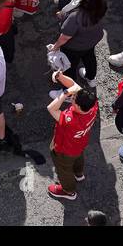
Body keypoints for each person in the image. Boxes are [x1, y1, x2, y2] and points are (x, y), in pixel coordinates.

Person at [46, 69, 98, 201]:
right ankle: (78, 174)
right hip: (80, 144)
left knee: (63, 170)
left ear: (79, 107)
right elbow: (74, 85)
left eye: (73, 98)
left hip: (64, 150)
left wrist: (65, 93)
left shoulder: (71, 120)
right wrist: (60, 77)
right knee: (78, 158)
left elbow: (51, 108)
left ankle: (68, 191)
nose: (72, 97)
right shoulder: (92, 106)